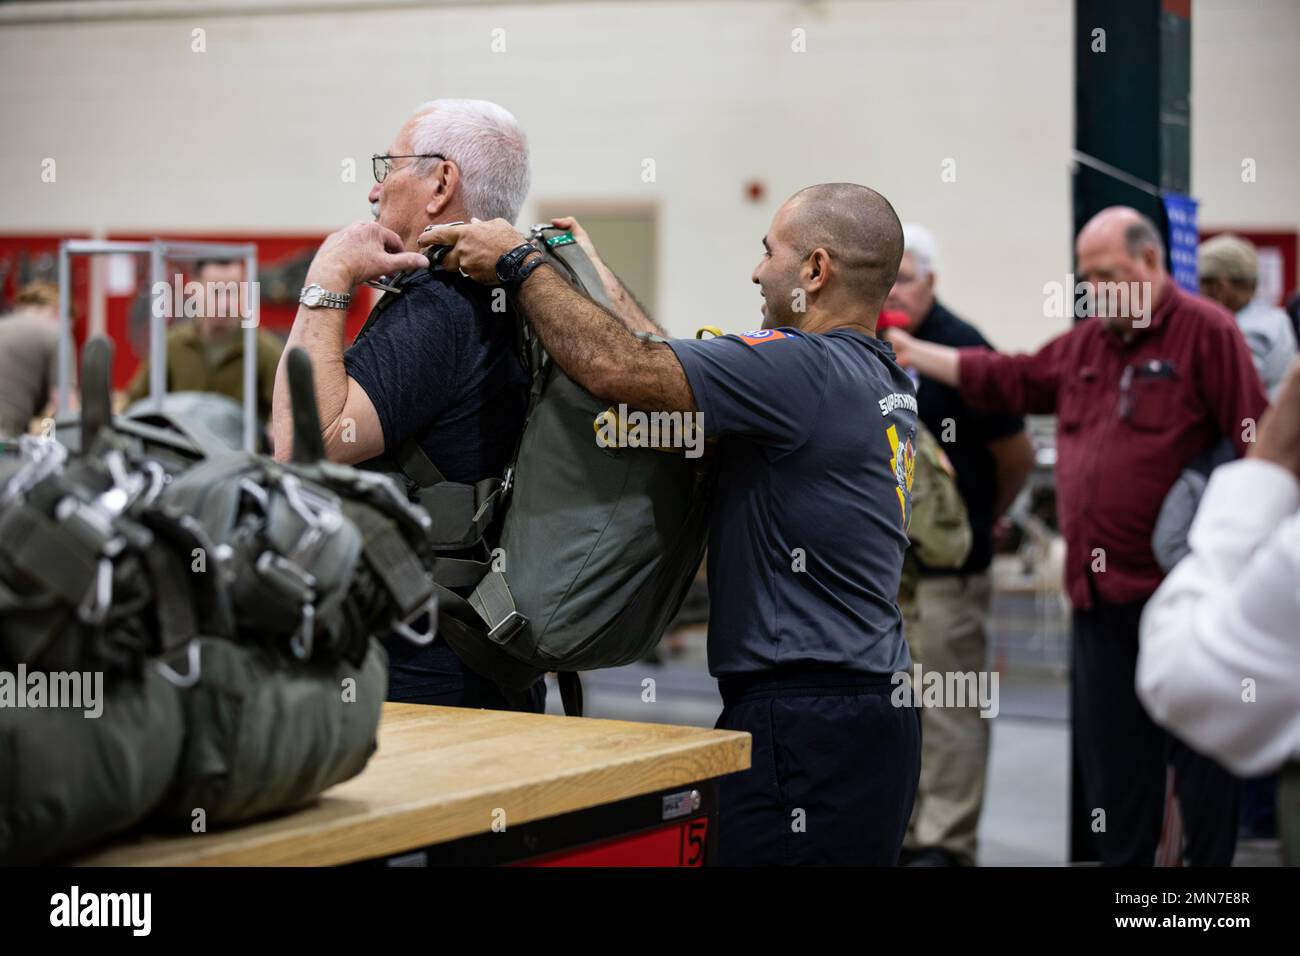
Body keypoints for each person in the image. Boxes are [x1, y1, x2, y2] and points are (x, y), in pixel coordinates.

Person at [422, 182, 921, 865]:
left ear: (815, 270)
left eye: (768, 251)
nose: (755, 270)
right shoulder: (871, 376)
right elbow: (665, 360)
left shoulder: (800, 369)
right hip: (864, 713)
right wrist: (589, 269)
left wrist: (519, 263)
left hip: (806, 719)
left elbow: (619, 368)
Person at [886, 206, 1269, 866]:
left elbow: (1255, 441)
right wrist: (915, 353)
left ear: (1151, 264)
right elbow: (1010, 376)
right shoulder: (1088, 344)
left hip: (1181, 598)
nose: (1096, 291)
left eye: (1109, 274)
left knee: (1201, 767)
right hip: (1098, 600)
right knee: (1118, 773)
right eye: (1087, 278)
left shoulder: (1206, 334)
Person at [267, 98, 561, 712]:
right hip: (486, 643)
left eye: (390, 166)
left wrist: (326, 279)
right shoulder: (513, 296)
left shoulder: (438, 310)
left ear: (441, 183)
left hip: (427, 659)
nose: (375, 190)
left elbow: (302, 444)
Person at [883, 225, 1035, 866]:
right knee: (893, 709)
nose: (893, 291)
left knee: (951, 707)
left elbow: (1017, 456)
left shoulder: (961, 347)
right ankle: (900, 831)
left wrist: (979, 520)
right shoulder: (866, 346)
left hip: (949, 575)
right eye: (885, 277)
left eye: (906, 278)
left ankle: (944, 844)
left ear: (933, 281)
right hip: (886, 576)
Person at [1137, 357, 1300, 864]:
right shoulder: (1201, 468)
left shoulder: (1224, 470)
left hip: (1213, 631)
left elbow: (1179, 676)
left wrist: (1264, 475)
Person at [125, 259, 284, 425]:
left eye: (233, 291)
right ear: (194, 289)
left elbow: (288, 408)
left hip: (239, 450)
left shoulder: (263, 350)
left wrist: (275, 427)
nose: (225, 303)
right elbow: (136, 404)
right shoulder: (171, 346)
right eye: (216, 291)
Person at [1197, 233, 1297, 398]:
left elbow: (1224, 391)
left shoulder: (1246, 333)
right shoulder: (1277, 318)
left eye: (1200, 284)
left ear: (1221, 288)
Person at [0, 281, 62, 438]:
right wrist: (48, 439)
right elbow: (62, 403)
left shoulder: (3, 325)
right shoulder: (55, 332)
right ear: (56, 311)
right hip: (6, 431)